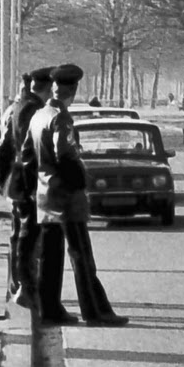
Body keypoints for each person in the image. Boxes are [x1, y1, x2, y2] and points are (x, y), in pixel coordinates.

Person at [33, 63, 127, 327]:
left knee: (50, 258)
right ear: (72, 89)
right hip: (66, 196)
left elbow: (32, 156)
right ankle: (95, 310)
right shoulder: (61, 118)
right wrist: (80, 182)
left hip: (45, 194)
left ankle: (49, 308)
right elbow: (65, 154)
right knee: (81, 255)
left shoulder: (39, 114)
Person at [0, 67, 53, 308]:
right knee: (27, 237)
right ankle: (24, 287)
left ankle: (19, 284)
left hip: (18, 180)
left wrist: (1, 178)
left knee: (20, 234)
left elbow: (4, 147)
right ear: (48, 88)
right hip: (27, 180)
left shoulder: (21, 106)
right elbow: (31, 149)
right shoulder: (32, 109)